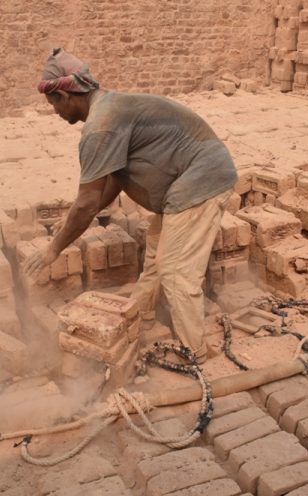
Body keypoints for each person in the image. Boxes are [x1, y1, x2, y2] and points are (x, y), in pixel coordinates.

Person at [23, 48, 237, 362]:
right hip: (181, 187)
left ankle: (196, 352)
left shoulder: (100, 126)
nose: (54, 111)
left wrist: (54, 248)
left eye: (53, 102)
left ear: (67, 95)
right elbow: (110, 183)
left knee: (176, 271)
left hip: (201, 180)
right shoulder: (108, 110)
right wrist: (77, 214)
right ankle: (139, 315)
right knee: (156, 254)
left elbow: (86, 202)